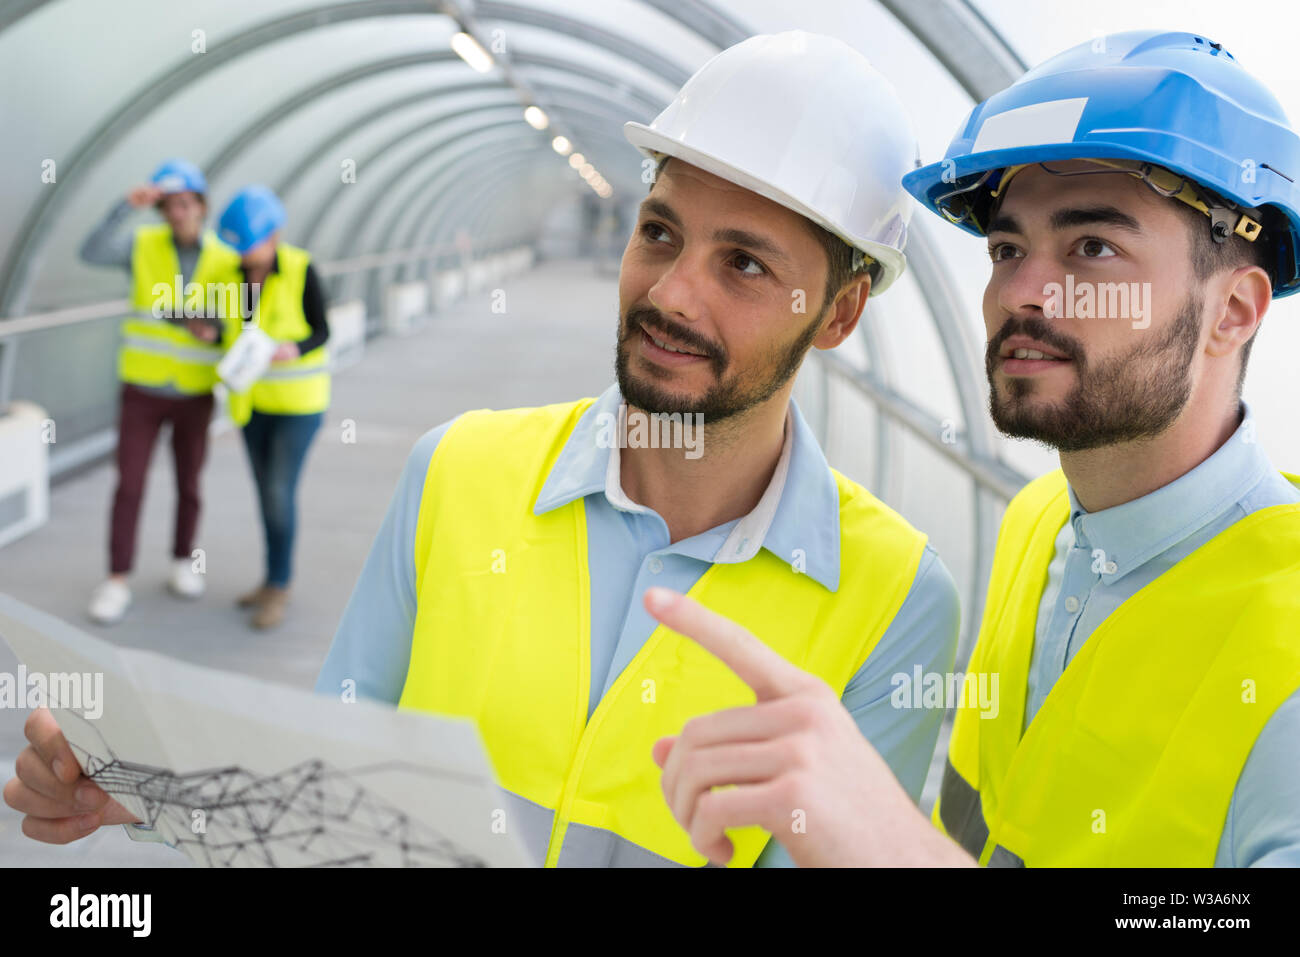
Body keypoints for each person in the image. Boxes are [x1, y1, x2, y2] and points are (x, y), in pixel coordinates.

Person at [5, 32, 959, 867]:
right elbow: (332, 771)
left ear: (839, 313)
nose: (671, 292)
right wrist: (154, 789)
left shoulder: (893, 601)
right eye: (658, 231)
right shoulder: (457, 469)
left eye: (743, 264)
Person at [645, 29, 1300, 867]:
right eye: (1007, 249)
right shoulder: (1039, 527)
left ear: (1235, 312)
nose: (1021, 292)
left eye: (1092, 249)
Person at [80, 159, 243, 625]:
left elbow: (243, 318)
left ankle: (182, 561)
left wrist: (214, 330)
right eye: (170, 205)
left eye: (186, 204)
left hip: (194, 392)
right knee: (129, 484)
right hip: (143, 390)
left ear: (202, 207)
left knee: (189, 483)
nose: (178, 213)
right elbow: (90, 253)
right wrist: (122, 209)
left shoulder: (224, 259)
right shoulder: (142, 245)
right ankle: (116, 579)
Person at [217, 186, 331, 630]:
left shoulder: (302, 271)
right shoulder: (233, 276)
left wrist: (295, 348)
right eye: (242, 251)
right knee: (266, 495)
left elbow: (323, 330)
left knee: (279, 494)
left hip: (298, 408)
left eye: (254, 248)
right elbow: (232, 329)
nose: (248, 258)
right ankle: (270, 580)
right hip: (253, 407)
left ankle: (280, 586)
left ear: (275, 235)